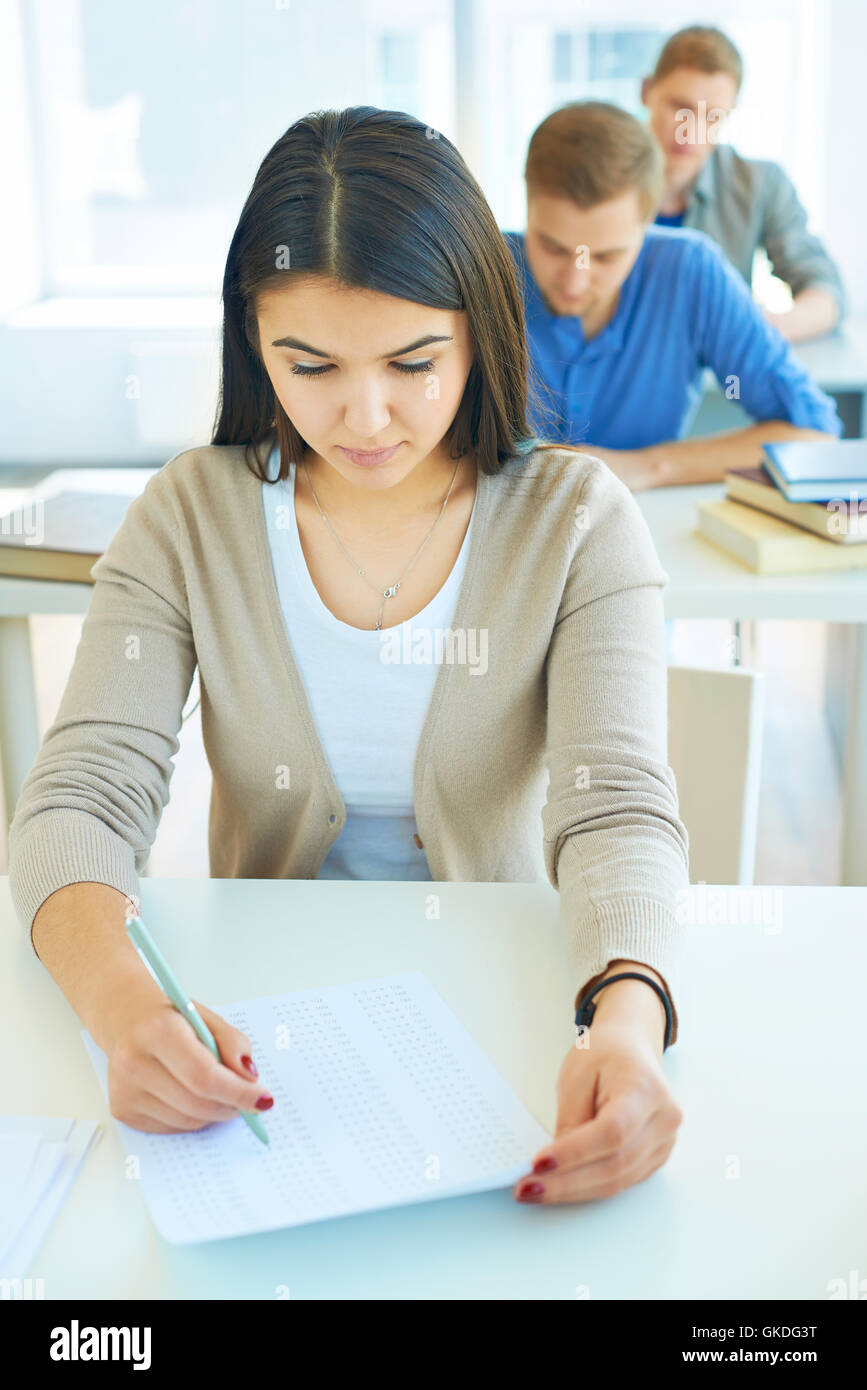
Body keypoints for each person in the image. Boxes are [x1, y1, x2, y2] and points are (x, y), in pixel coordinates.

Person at [9, 106, 689, 1207]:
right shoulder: (190, 516)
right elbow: (78, 800)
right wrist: (122, 1005)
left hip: (516, 1004)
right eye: (309, 363)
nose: (364, 415)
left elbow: (615, 810)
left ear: (480, 329)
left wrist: (628, 1017)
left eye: (414, 361)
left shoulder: (576, 520)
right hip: (262, 1025)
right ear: (252, 343)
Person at [504, 101, 842, 492]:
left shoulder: (690, 272)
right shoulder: (480, 272)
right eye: (552, 247)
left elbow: (814, 435)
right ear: (528, 207)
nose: (575, 282)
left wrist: (647, 467)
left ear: (649, 222)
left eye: (607, 256)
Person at [642, 24, 844, 343]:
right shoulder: (597, 177)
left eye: (712, 116)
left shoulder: (760, 184)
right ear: (646, 92)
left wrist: (761, 328)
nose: (691, 131)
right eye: (681, 108)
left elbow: (825, 291)